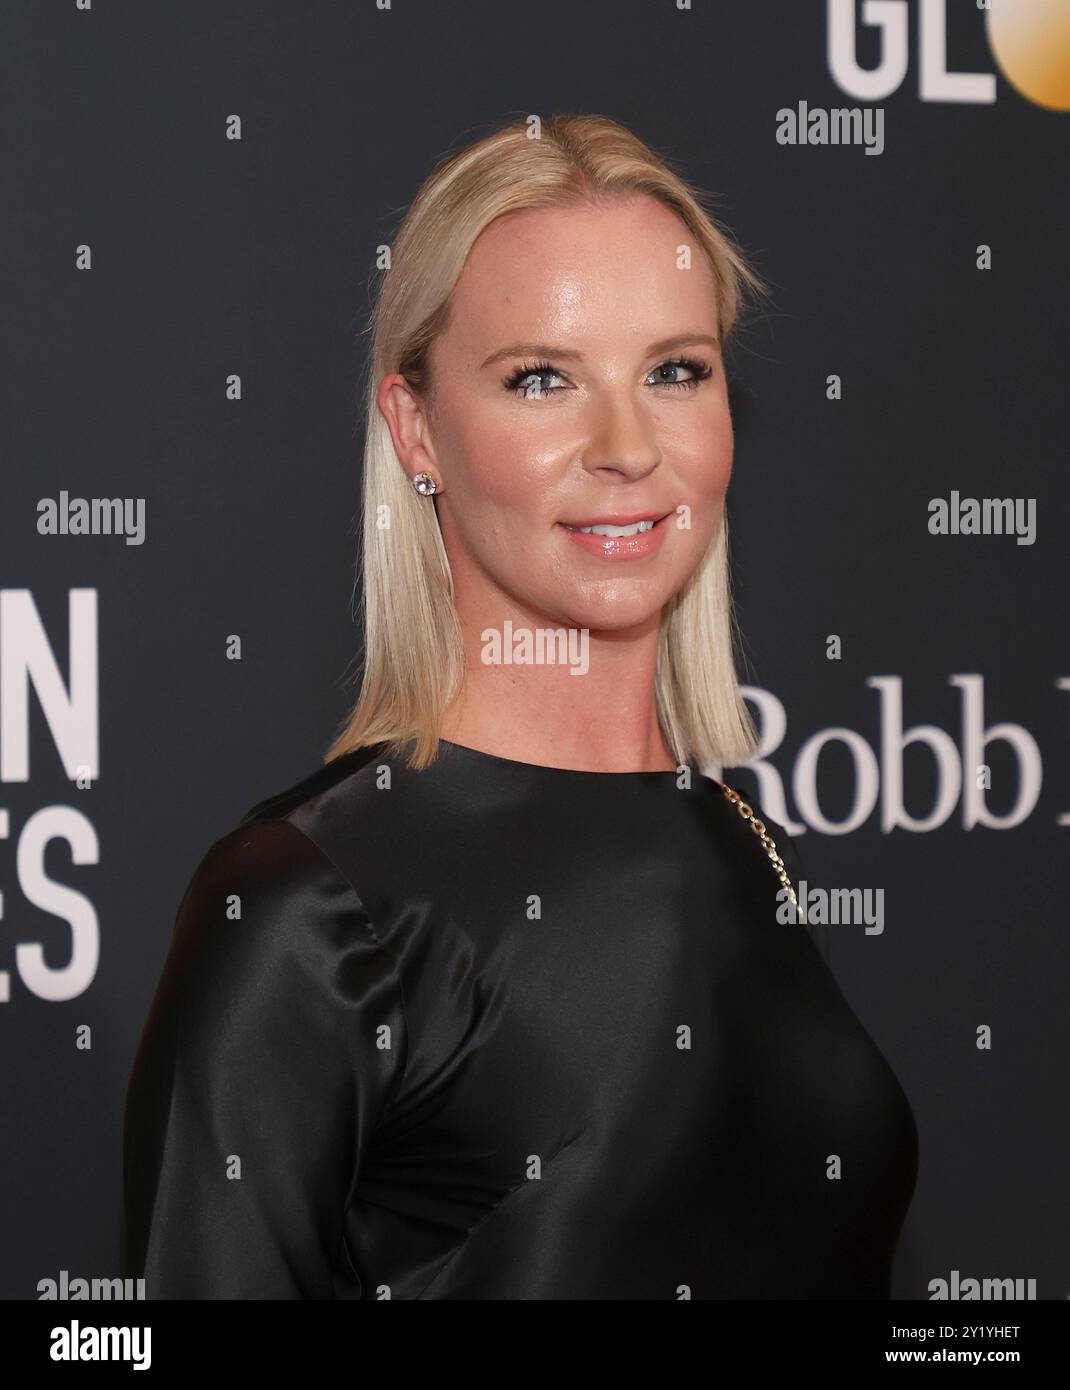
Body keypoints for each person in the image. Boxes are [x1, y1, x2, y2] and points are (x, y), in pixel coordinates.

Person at [122, 113, 919, 1299]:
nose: (625, 446)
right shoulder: (310, 904)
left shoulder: (734, 837)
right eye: (542, 378)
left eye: (673, 371)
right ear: (416, 428)